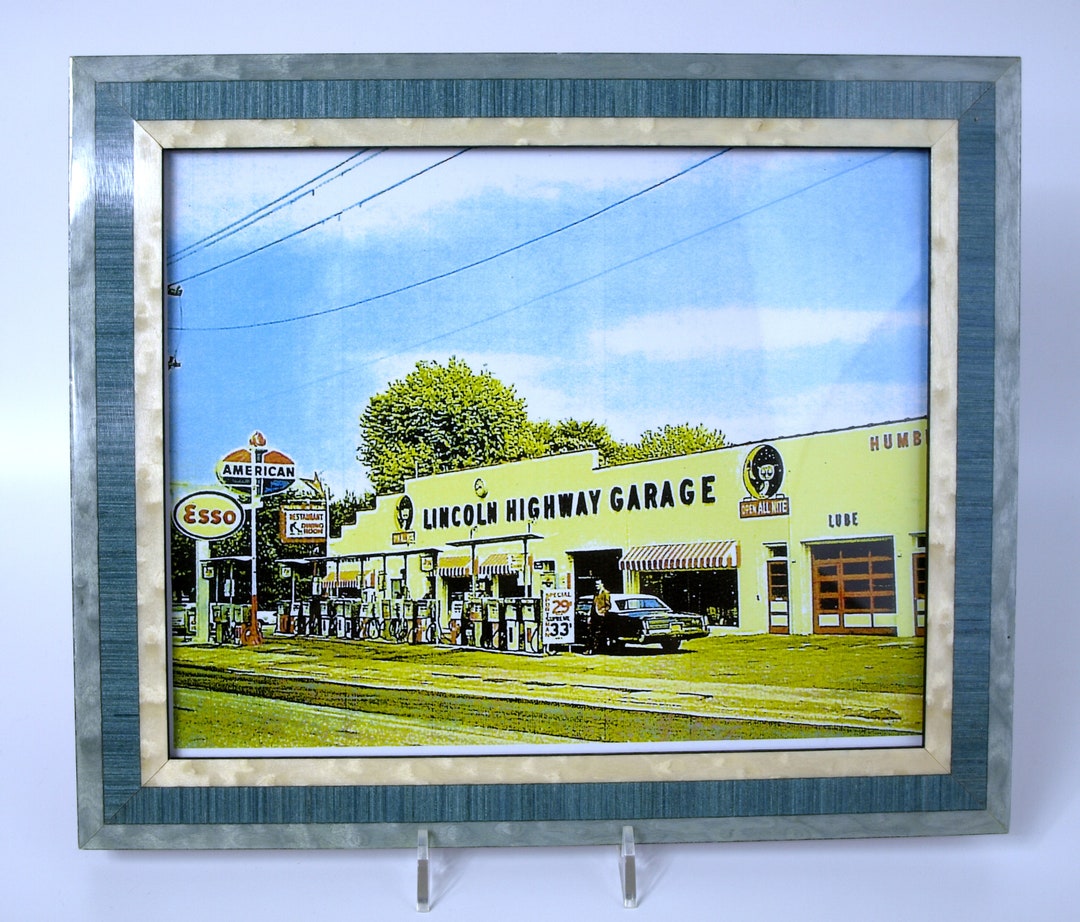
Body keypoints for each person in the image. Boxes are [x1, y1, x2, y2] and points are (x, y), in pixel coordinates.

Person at [590, 579, 612, 653]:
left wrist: (603, 611)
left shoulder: (606, 593)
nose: (596, 586)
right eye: (595, 584)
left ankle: (602, 648)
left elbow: (608, 605)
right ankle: (595, 648)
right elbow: (593, 604)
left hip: (602, 616)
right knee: (594, 632)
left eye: (598, 584)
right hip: (595, 616)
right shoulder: (596, 594)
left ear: (602, 584)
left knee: (602, 632)